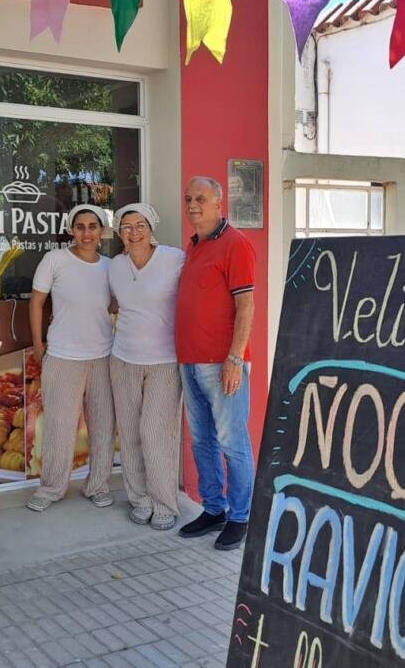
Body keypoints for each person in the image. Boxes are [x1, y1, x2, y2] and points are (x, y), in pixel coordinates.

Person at [175, 176, 256, 551]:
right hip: (189, 361)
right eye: (190, 198)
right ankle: (214, 508)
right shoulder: (193, 246)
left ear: (219, 203)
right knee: (202, 440)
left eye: (201, 199)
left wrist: (235, 358)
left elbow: (246, 306)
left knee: (232, 442)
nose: (193, 205)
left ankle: (241, 517)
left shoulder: (235, 244)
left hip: (222, 364)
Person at [26, 204, 116, 512]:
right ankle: (51, 488)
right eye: (81, 226)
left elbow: (118, 305)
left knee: (103, 426)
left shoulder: (110, 266)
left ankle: (98, 485)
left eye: (93, 226)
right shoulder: (55, 260)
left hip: (103, 356)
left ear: (102, 232)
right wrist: (39, 346)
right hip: (63, 355)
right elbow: (37, 303)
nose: (87, 232)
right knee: (60, 426)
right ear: (71, 230)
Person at [108, 203, 186, 530]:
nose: (133, 232)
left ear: (151, 227)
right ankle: (139, 499)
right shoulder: (115, 266)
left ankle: (164, 503)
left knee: (156, 433)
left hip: (164, 360)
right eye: (126, 227)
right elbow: (112, 306)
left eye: (140, 225)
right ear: (119, 233)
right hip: (123, 357)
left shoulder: (174, 258)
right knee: (129, 433)